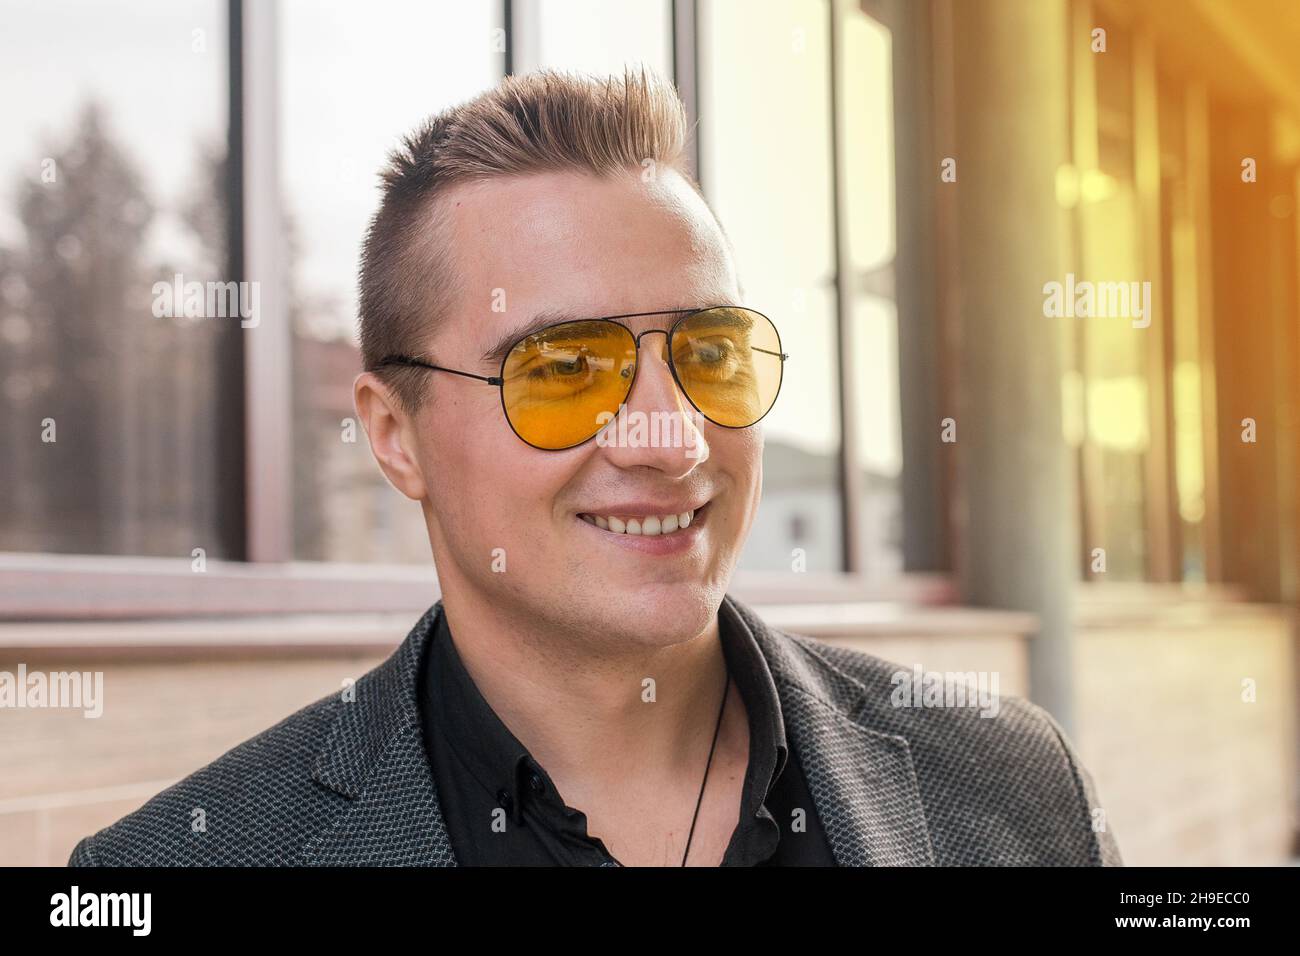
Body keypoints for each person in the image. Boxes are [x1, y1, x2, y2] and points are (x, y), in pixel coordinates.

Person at [68, 69, 1120, 867]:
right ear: (396, 434)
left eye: (708, 353)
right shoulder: (175, 865)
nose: (670, 439)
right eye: (565, 368)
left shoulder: (1017, 792)